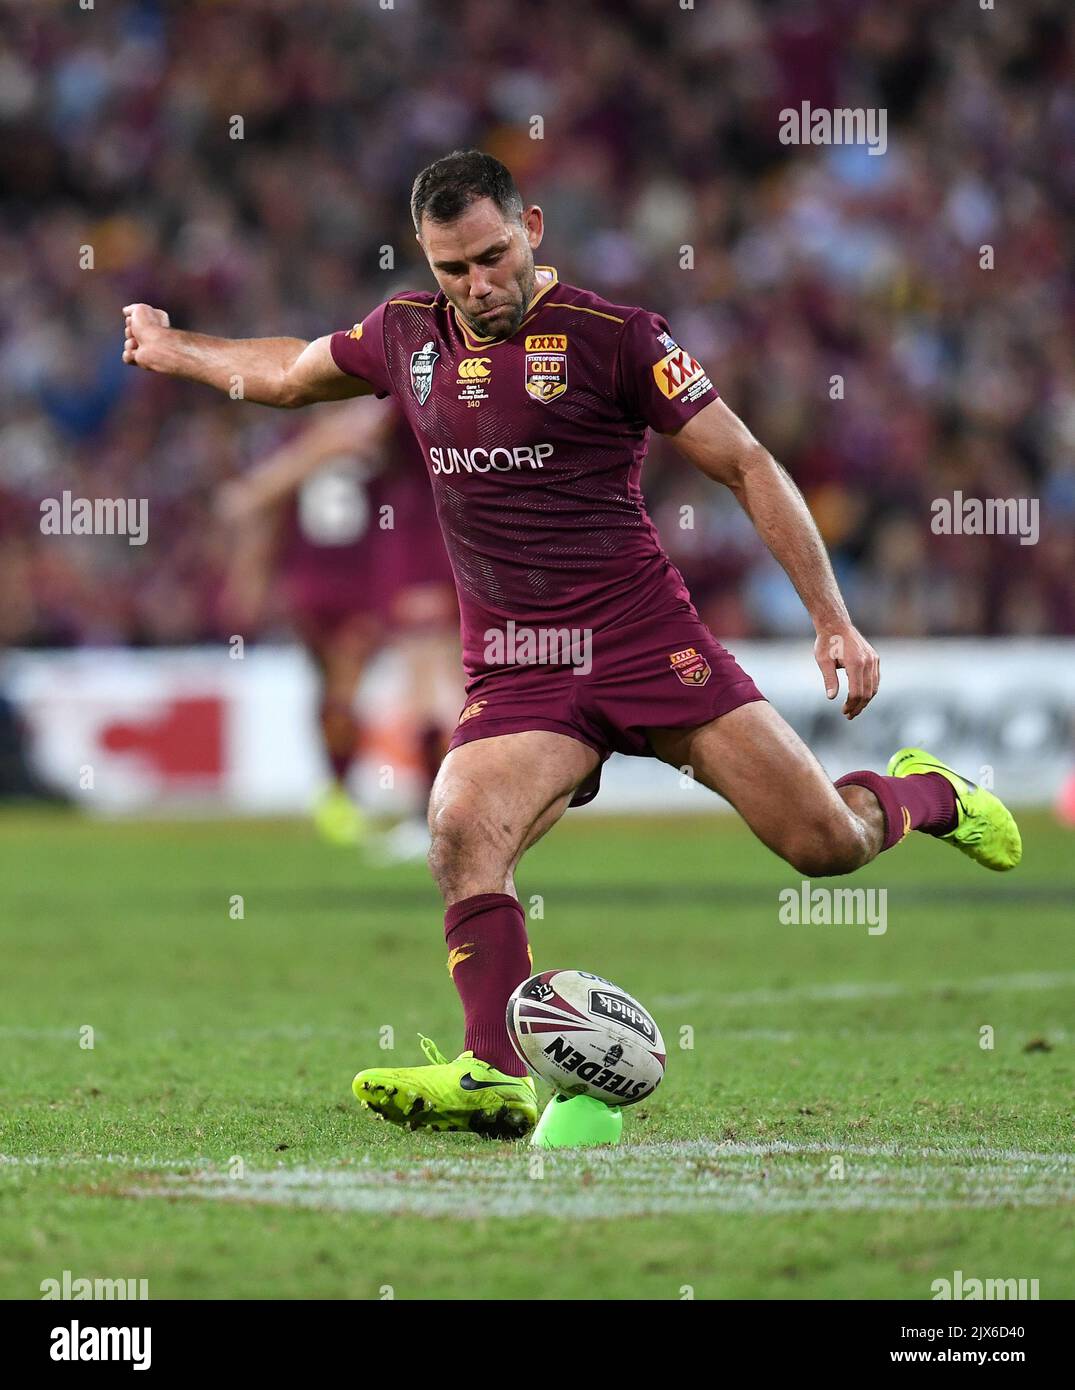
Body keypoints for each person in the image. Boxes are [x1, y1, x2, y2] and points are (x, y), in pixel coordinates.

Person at [122, 149, 1021, 1140]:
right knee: (462, 829)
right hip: (517, 666)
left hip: (645, 643)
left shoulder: (616, 338)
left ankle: (925, 793)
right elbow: (289, 374)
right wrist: (177, 352)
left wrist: (831, 617)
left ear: (532, 228)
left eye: (493, 257)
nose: (477, 286)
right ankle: (491, 1072)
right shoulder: (404, 338)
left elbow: (745, 462)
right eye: (451, 267)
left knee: (824, 845)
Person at [217, 398, 458, 854]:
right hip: (365, 574)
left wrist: (253, 495)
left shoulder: (340, 433)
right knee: (369, 686)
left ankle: (413, 811)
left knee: (394, 684)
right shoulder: (391, 423)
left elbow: (285, 496)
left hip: (354, 577)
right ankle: (395, 806)